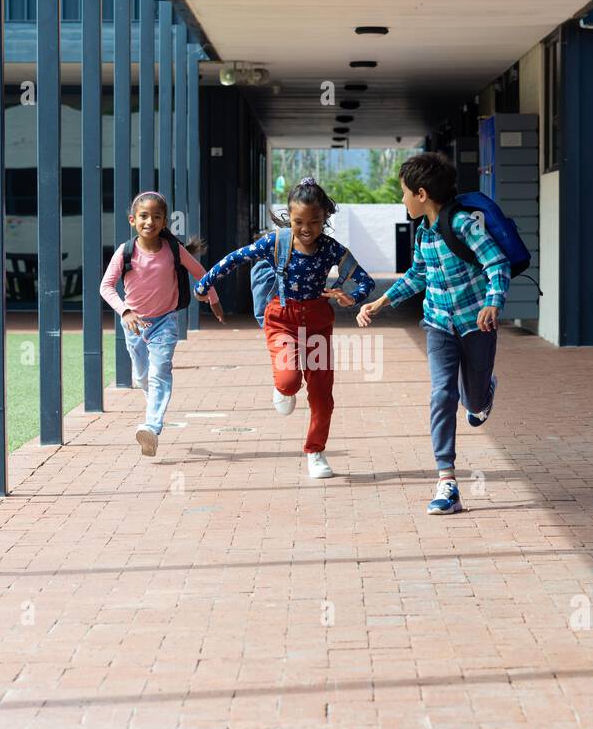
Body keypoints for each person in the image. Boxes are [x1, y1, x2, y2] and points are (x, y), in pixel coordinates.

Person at [193, 177, 375, 479]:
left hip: (318, 322)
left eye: (315, 222)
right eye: (298, 221)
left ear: (325, 218)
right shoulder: (275, 242)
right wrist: (204, 283)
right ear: (289, 218)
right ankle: (283, 388)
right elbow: (235, 258)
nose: (306, 229)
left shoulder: (331, 249)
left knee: (322, 395)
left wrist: (350, 296)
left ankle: (316, 452)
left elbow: (365, 281)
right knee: (290, 381)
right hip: (282, 319)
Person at [357, 153, 507, 514]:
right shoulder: (424, 234)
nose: (402, 200)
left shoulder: (464, 226)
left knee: (471, 399)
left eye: (404, 192)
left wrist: (493, 302)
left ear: (421, 193)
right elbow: (417, 276)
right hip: (438, 324)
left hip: (476, 325)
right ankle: (447, 481)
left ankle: (483, 393)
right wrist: (381, 303)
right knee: (441, 394)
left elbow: (496, 262)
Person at [99, 190, 223, 457]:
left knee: (160, 372)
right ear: (132, 220)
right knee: (142, 376)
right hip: (134, 324)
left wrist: (212, 298)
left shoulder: (173, 250)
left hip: (165, 321)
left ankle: (152, 428)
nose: (149, 222)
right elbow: (106, 287)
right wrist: (125, 311)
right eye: (143, 216)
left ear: (164, 222)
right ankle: (152, 406)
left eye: (156, 217)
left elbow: (201, 273)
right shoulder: (125, 252)